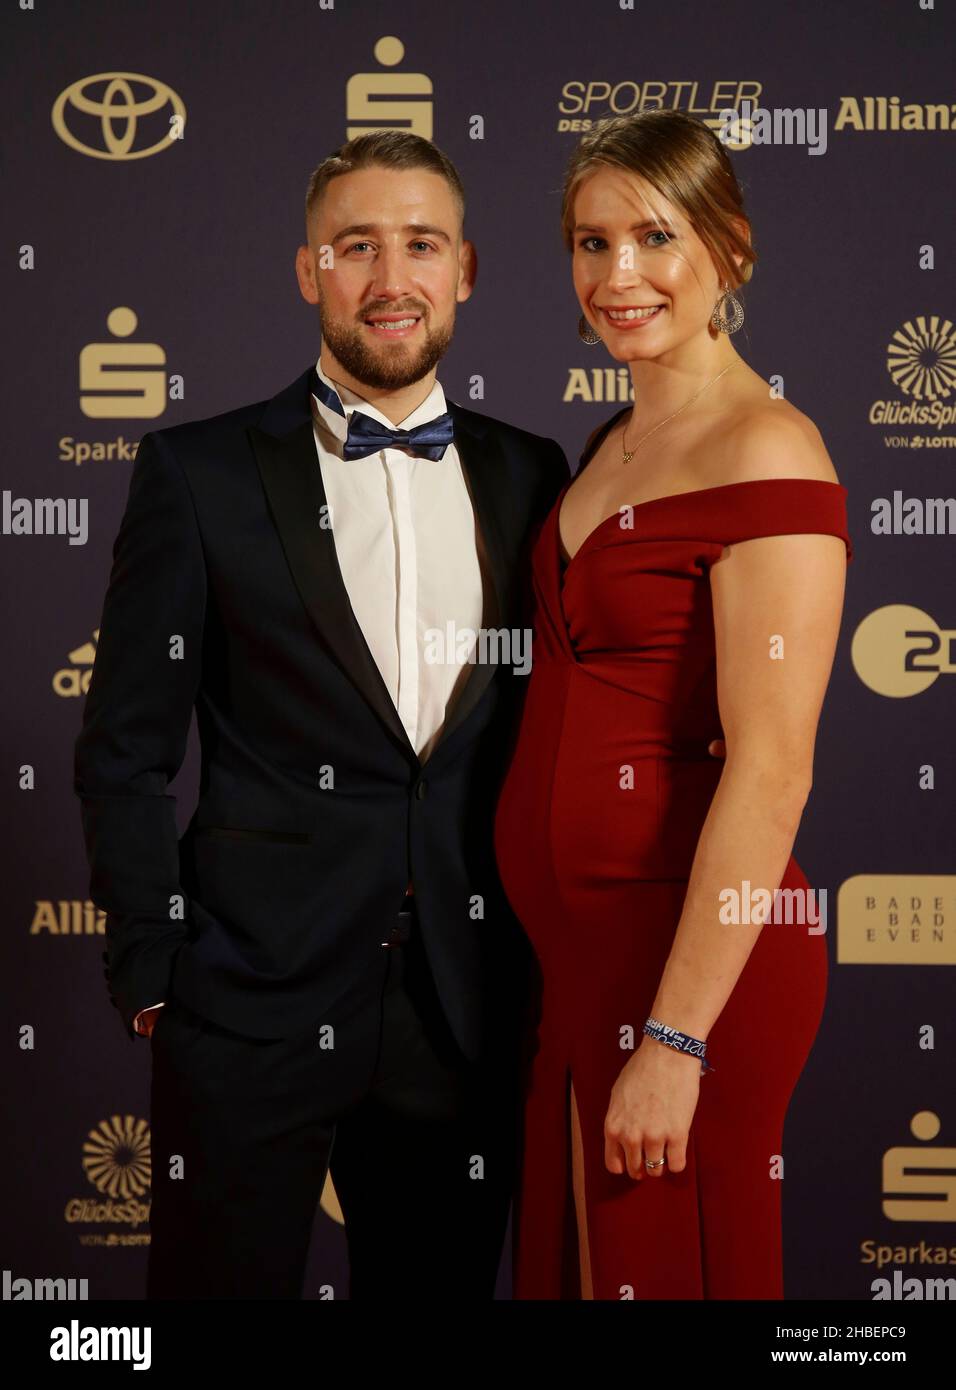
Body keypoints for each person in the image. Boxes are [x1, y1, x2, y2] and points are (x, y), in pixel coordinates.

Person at [73, 129, 581, 1300]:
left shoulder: (533, 472)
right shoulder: (197, 471)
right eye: (356, 246)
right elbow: (123, 750)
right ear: (309, 271)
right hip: (246, 998)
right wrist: (153, 968)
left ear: (465, 269)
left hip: (462, 1009)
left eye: (419, 244)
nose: (388, 278)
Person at [493, 109, 853, 1300]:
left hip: (690, 974)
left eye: (653, 236)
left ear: (729, 249)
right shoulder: (608, 440)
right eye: (589, 244)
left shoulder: (770, 451)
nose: (617, 275)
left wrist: (676, 1037)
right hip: (579, 967)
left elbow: (771, 771)